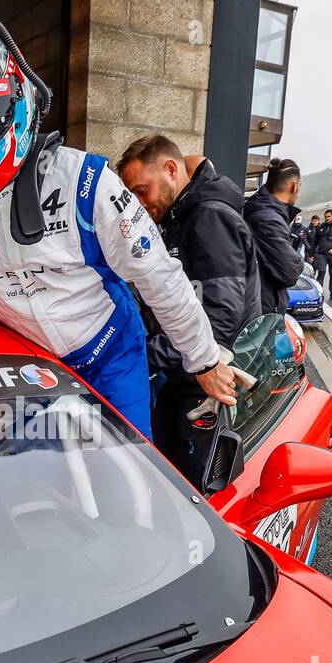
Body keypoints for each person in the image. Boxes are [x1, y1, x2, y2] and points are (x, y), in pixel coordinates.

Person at [0, 18, 237, 440]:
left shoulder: (85, 181)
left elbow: (159, 276)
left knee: (128, 478)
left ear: (12, 101)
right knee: (31, 484)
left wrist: (205, 361)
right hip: (27, 364)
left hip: (113, 357)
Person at [116, 134, 261, 469]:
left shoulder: (208, 218)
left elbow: (221, 319)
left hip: (208, 385)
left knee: (187, 491)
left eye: (141, 190)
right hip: (185, 374)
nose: (138, 203)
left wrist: (144, 354)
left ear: (170, 169)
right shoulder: (175, 218)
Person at [243, 158, 305, 318]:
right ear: (294, 185)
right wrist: (299, 260)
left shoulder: (262, 210)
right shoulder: (269, 220)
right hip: (262, 314)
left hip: (258, 304)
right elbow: (289, 271)